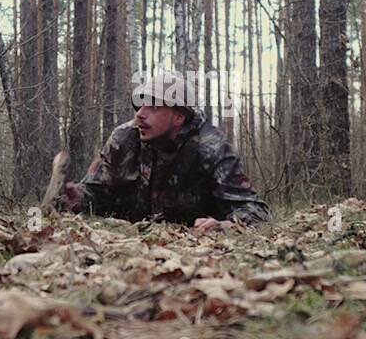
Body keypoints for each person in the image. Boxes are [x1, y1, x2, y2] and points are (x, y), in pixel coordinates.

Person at [60, 72, 270, 231]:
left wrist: (225, 225)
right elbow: (97, 195)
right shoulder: (124, 138)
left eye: (153, 107)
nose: (140, 114)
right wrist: (76, 197)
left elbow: (255, 211)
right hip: (131, 247)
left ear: (179, 117)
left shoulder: (212, 148)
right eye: (140, 105)